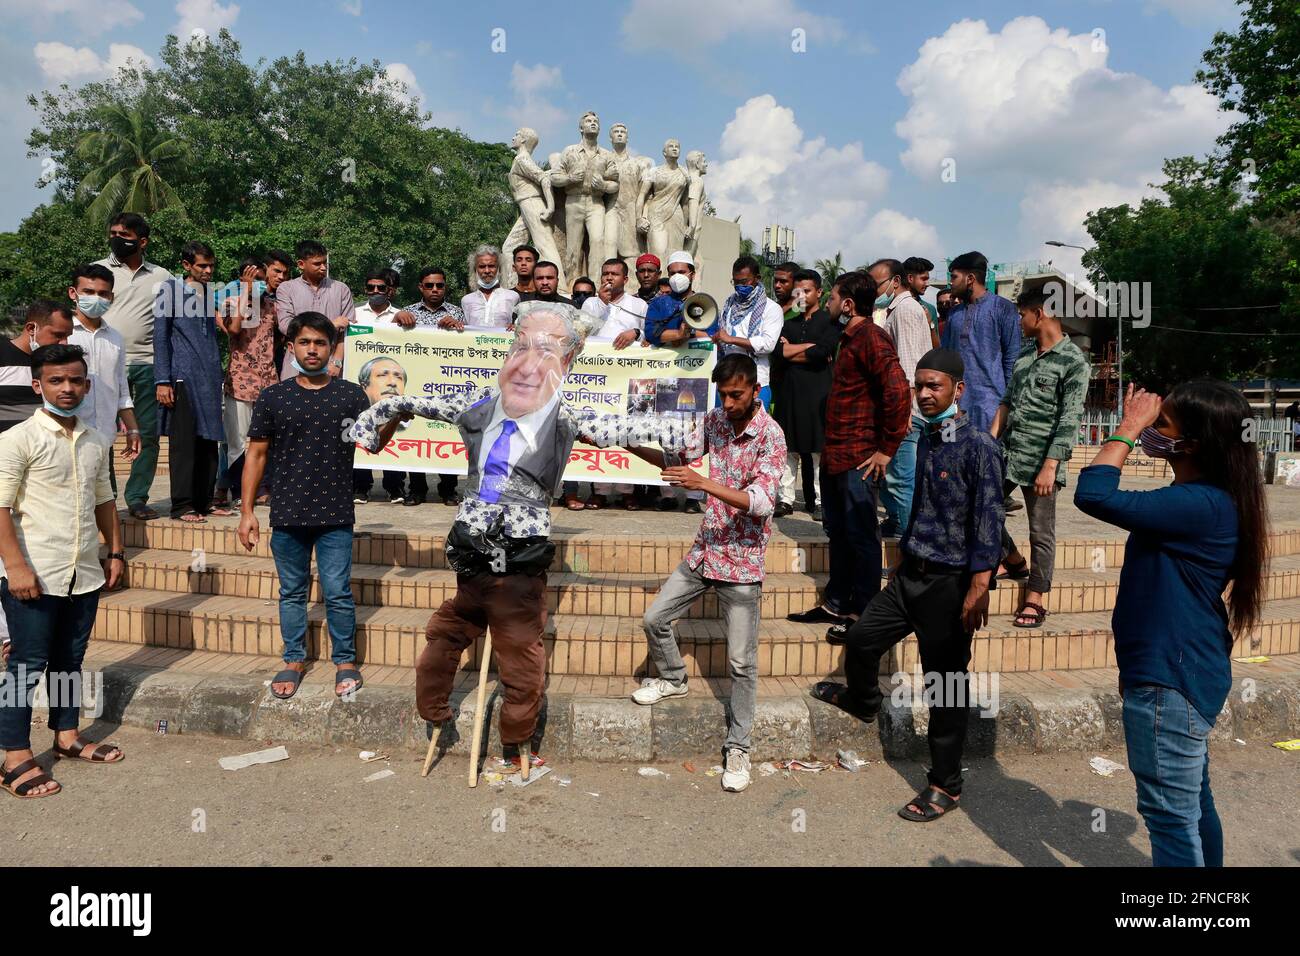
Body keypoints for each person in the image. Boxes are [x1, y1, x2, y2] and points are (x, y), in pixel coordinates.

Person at [353, 301, 699, 771]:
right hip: (480, 551)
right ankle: (480, 731)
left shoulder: (565, 416)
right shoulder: (480, 406)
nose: (531, 362)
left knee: (493, 642)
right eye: (523, 347)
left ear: (568, 361)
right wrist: (373, 426)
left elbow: (630, 427)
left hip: (513, 554)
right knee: (494, 643)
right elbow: (405, 401)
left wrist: (687, 444)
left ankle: (510, 739)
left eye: (548, 352)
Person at [1075, 381, 1267, 866]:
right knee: (1192, 807)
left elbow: (1094, 493)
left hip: (1173, 678)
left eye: (1162, 425)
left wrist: (1126, 427)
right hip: (1175, 670)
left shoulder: (1199, 504)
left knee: (1169, 818)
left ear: (1193, 443)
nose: (1152, 431)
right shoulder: (1201, 499)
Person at [813, 348, 1003, 822]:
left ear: (958, 389)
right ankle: (862, 701)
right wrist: (901, 559)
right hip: (911, 573)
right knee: (860, 638)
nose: (924, 394)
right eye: (919, 386)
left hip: (950, 586)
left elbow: (989, 519)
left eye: (934, 386)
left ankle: (945, 784)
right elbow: (923, 507)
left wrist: (980, 585)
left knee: (945, 686)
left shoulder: (979, 445)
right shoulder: (928, 440)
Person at [631, 354, 785, 793]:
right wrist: (619, 444)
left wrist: (705, 484)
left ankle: (739, 747)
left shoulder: (771, 436)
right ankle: (674, 679)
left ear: (756, 390)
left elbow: (761, 501)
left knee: (741, 663)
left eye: (736, 394)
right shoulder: (716, 420)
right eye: (722, 394)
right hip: (707, 548)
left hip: (742, 561)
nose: (728, 402)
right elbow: (677, 460)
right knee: (654, 619)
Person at [0, 344, 127, 799]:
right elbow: (0, 507)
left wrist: (115, 552)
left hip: (84, 574)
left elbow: (104, 499)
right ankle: (14, 754)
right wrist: (15, 567)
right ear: (38, 386)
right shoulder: (17, 440)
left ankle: (67, 735)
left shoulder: (95, 438)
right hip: (33, 574)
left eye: (75, 380)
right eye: (56, 380)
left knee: (69, 661)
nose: (67, 388)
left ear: (87, 385)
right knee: (25, 668)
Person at [238, 312, 385, 700]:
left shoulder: (350, 395)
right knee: (292, 592)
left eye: (320, 343)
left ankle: (345, 661)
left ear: (332, 348)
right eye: (305, 342)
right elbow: (255, 455)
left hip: (336, 513)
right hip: (287, 513)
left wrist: (394, 417)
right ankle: (292, 659)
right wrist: (247, 512)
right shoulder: (274, 397)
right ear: (291, 348)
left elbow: (373, 443)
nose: (313, 349)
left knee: (337, 591)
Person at [788, 272, 909, 630]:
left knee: (861, 536)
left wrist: (887, 449)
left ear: (848, 304)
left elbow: (899, 392)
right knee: (838, 533)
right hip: (836, 453)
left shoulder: (872, 338)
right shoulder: (846, 338)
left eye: (833, 297)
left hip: (859, 455)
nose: (827, 303)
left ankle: (863, 614)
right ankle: (837, 604)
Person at [988, 289, 1090, 628]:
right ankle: (1014, 560)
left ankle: (1035, 595)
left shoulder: (1073, 361)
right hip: (1009, 453)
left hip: (1042, 462)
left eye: (1022, 315)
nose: (1019, 321)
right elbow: (1006, 403)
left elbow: (1069, 418)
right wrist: (989, 444)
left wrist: (1051, 466)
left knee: (1041, 532)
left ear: (1040, 313)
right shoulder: (1024, 355)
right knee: (980, 506)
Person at [0, 303, 75, 661]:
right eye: (56, 334)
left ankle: (17, 635)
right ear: (32, 328)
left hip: (41, 477)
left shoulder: (57, 370)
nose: (62, 341)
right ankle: (9, 637)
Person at [95, 212, 171, 521]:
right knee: (101, 434)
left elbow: (170, 324)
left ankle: (137, 497)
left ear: (142, 241)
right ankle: (107, 498)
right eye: (112, 233)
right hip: (104, 363)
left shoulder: (162, 276)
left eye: (122, 234)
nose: (115, 239)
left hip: (148, 365)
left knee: (148, 434)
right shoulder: (98, 269)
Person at [154, 240, 227, 523]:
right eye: (202, 266)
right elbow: (160, 337)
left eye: (211, 265)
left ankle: (204, 501)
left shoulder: (211, 294)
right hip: (181, 376)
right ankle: (182, 506)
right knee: (184, 444)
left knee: (209, 441)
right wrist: (162, 379)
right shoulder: (169, 290)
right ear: (186, 265)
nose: (208, 270)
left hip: (209, 377)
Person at [646, 251, 713, 514]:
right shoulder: (659, 304)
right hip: (666, 377)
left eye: (682, 272)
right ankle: (668, 492)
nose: (677, 277)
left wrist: (688, 331)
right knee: (665, 435)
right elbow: (653, 334)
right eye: (672, 272)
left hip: (694, 378)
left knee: (694, 437)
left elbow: (709, 335)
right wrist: (677, 334)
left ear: (692, 274)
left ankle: (694, 494)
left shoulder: (704, 302)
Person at [67, 265, 141, 498]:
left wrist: (132, 429)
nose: (96, 298)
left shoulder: (116, 338)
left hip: (103, 438)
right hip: (68, 437)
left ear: (111, 297)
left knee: (106, 503)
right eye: (88, 292)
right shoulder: (62, 333)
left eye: (103, 293)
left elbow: (121, 389)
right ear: (73, 293)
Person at [875, 257, 935, 541]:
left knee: (901, 477)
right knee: (894, 475)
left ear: (896, 281)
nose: (875, 289)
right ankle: (896, 521)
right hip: (901, 406)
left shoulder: (906, 310)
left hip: (906, 409)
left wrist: (906, 411)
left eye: (878, 284)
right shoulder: (897, 310)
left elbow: (911, 365)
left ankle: (906, 536)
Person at [582, 258, 649, 509]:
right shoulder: (591, 302)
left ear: (626, 279)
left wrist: (636, 333)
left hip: (628, 381)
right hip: (598, 381)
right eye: (605, 273)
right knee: (598, 431)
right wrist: (602, 302)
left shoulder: (638, 305)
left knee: (626, 431)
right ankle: (598, 489)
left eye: (614, 274)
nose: (609, 278)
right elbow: (583, 329)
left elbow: (648, 335)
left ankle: (626, 489)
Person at [772, 268, 839, 518]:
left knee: (818, 450)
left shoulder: (829, 322)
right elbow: (779, 353)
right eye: (797, 290)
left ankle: (822, 501)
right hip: (790, 392)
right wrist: (807, 350)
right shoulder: (787, 323)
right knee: (789, 448)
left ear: (819, 292)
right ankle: (786, 499)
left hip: (819, 393)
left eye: (807, 290)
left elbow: (822, 352)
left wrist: (795, 351)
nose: (801, 294)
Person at [217, 258, 278, 507]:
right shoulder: (231, 303)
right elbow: (233, 330)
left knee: (267, 440)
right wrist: (245, 293)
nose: (258, 284)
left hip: (268, 383)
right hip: (240, 382)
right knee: (238, 443)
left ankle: (263, 488)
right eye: (253, 279)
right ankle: (240, 492)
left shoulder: (273, 307)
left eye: (261, 279)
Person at [939, 251, 1021, 433]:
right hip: (953, 408)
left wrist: (1008, 407)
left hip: (991, 408)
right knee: (948, 456)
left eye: (954, 277)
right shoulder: (953, 314)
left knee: (986, 458)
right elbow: (944, 359)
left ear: (970, 278)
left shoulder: (1004, 309)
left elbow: (1012, 361)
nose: (951, 282)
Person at [275, 240, 355, 382]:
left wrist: (336, 361)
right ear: (301, 264)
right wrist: (330, 325)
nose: (323, 268)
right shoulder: (286, 289)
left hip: (331, 369)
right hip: (296, 367)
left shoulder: (341, 289)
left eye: (325, 263)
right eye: (317, 264)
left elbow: (348, 332)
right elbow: (286, 326)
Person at [712, 255, 782, 411]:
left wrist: (731, 339)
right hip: (727, 380)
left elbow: (767, 344)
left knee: (754, 430)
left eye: (744, 282)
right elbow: (722, 337)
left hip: (755, 380)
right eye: (735, 282)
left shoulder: (771, 309)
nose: (739, 286)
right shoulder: (729, 305)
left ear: (757, 278)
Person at [460, 244, 519, 330]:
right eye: (482, 267)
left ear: (499, 269)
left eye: (491, 266)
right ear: (475, 270)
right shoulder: (466, 300)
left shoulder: (513, 297)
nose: (487, 271)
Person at [903, 256, 940, 347]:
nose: (927, 284)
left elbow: (936, 347)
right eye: (924, 279)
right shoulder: (891, 306)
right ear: (910, 278)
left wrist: (930, 324)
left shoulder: (929, 309)